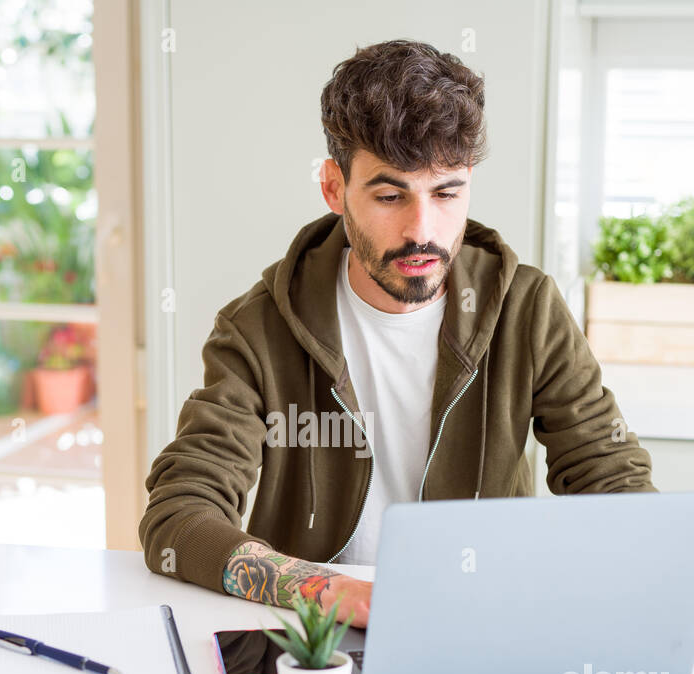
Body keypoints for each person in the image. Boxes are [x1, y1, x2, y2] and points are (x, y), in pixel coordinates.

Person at [140, 39, 655, 630]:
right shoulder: (256, 328)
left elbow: (609, 477)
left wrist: (647, 564)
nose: (422, 231)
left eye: (446, 193)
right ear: (334, 188)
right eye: (390, 196)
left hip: (481, 621)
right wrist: (330, 593)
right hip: (311, 637)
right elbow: (178, 516)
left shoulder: (527, 309)